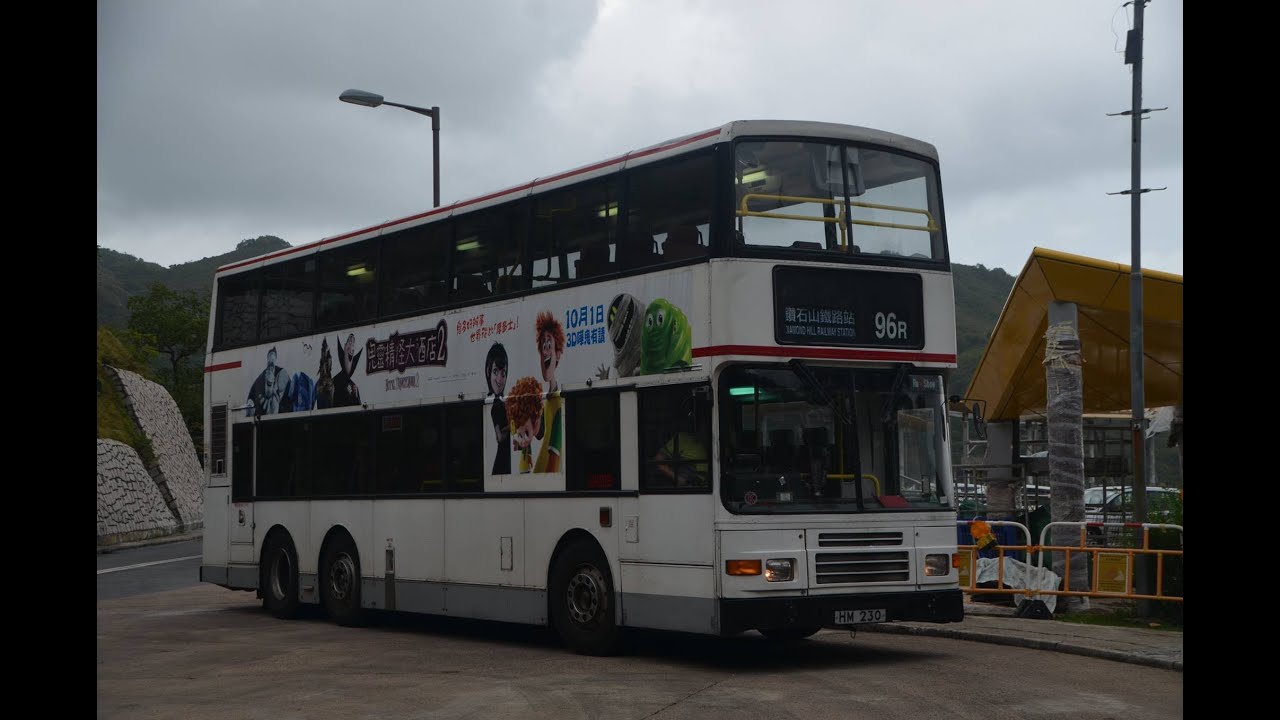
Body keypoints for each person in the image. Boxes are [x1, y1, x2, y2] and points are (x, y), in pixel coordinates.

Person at [485, 343, 510, 475]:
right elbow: (499, 437)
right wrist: (510, 428)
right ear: (488, 372)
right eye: (495, 372)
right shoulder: (495, 406)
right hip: (502, 462)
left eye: (503, 373)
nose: (499, 379)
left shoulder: (505, 402)